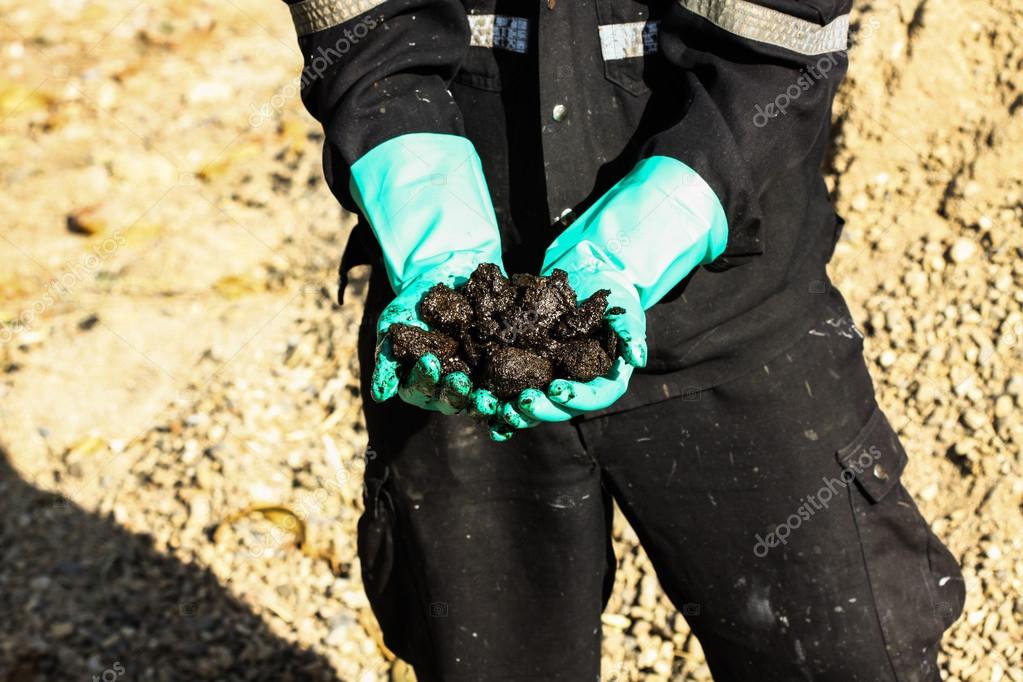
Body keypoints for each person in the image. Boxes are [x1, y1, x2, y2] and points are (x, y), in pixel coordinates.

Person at [283, 0, 966, 678]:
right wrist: (423, 210)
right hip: (456, 349)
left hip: (734, 304)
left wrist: (664, 216)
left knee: (838, 651)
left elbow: (779, 34)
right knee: (486, 654)